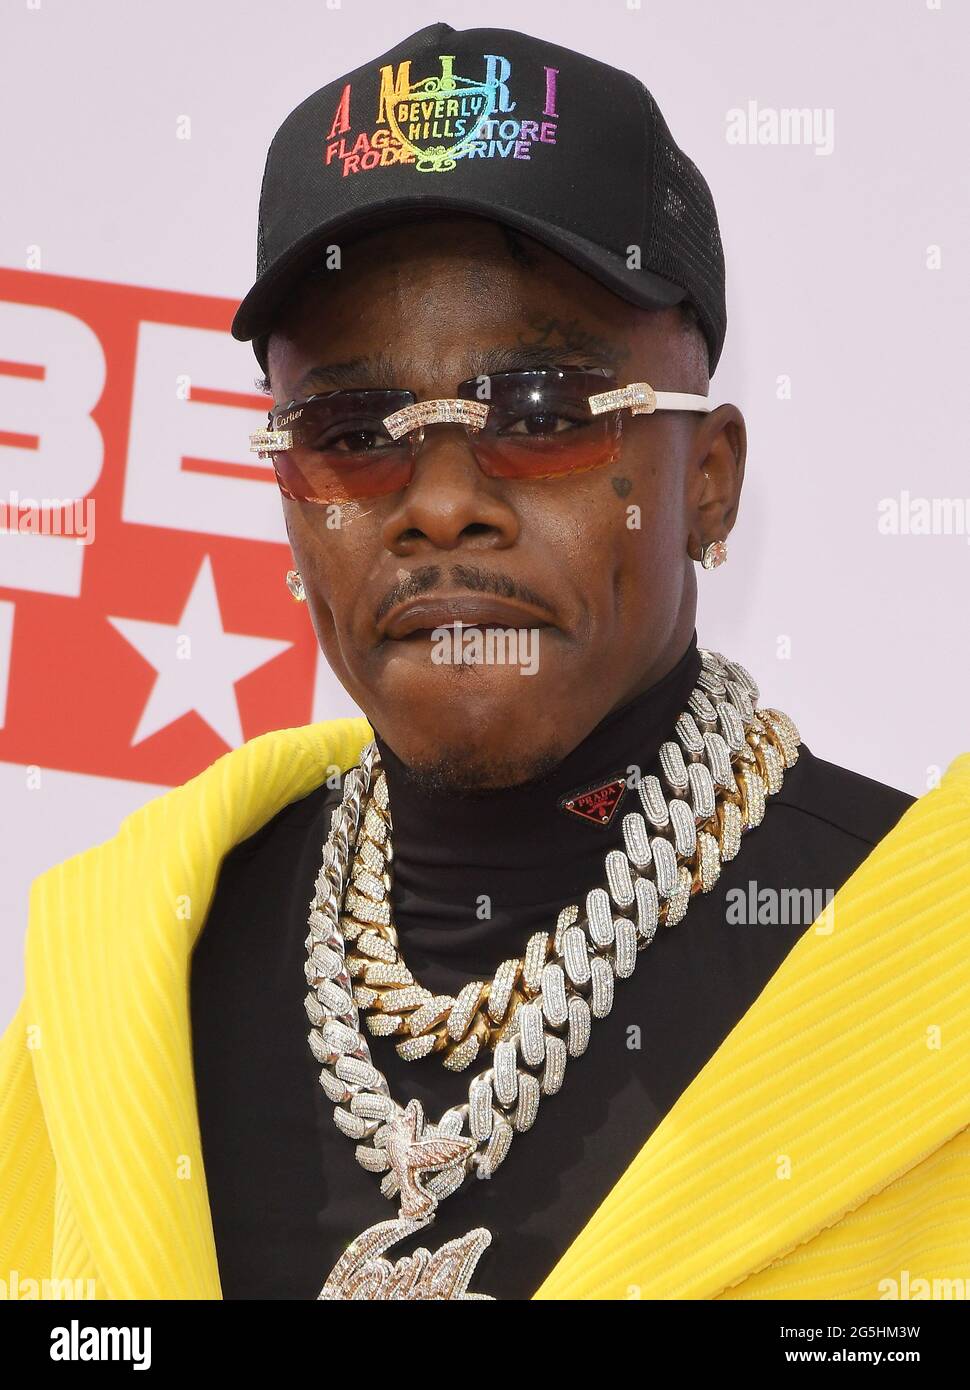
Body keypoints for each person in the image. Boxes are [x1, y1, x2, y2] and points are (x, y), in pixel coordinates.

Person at [2, 21, 968, 1303]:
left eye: (545, 414)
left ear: (712, 483)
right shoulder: (128, 988)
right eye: (352, 430)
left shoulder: (914, 967)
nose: (441, 502)